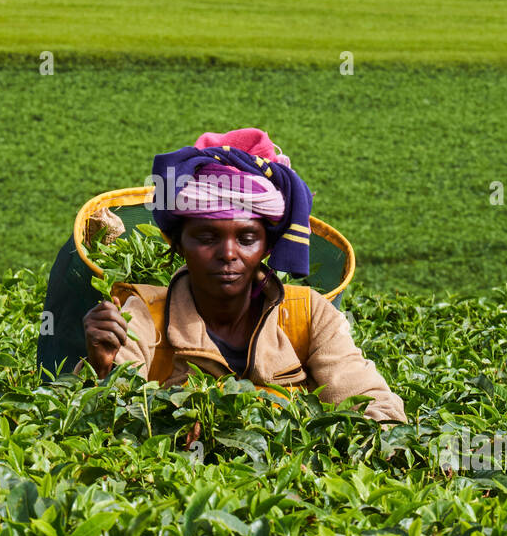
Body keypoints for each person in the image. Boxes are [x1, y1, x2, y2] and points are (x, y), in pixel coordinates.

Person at [78, 128, 406, 425]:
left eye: (247, 239)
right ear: (178, 243)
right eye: (206, 238)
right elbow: (101, 417)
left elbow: (371, 404)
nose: (228, 254)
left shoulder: (310, 315)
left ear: (266, 247)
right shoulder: (144, 315)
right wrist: (101, 370)